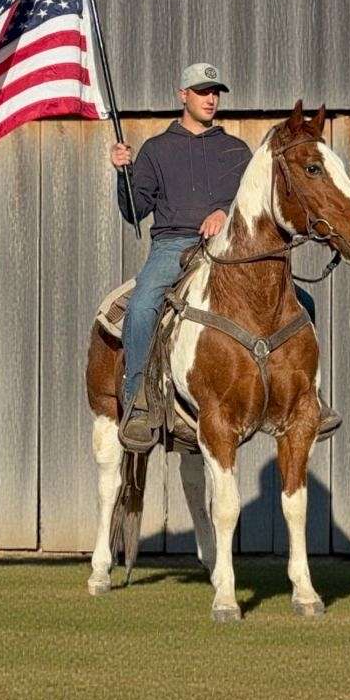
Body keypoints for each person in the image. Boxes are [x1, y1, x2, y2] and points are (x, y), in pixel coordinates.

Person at [111, 62, 336, 452]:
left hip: (229, 247)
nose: (211, 98)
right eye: (202, 91)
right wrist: (123, 173)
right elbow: (134, 209)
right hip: (173, 245)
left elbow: (252, 203)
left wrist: (223, 212)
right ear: (183, 95)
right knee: (144, 302)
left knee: (305, 303)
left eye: (215, 92)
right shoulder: (156, 150)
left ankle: (309, 397)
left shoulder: (236, 151)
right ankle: (138, 403)